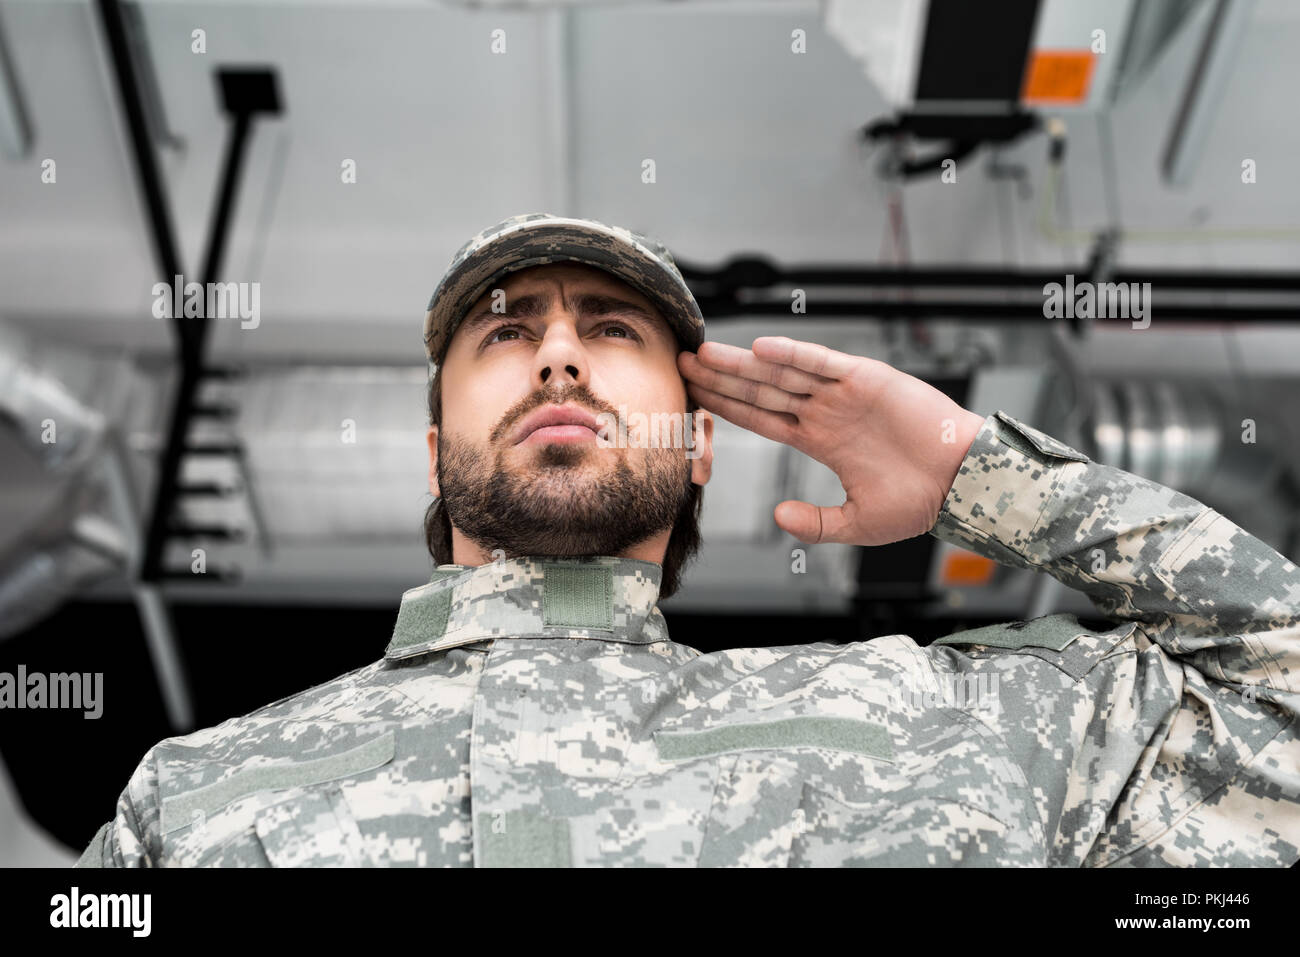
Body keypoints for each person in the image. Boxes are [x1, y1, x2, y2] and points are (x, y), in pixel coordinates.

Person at [76, 213, 1298, 867]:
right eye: (505, 334)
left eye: (609, 329)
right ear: (433, 451)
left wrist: (978, 475)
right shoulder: (188, 800)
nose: (557, 349)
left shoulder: (941, 722)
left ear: (699, 441)